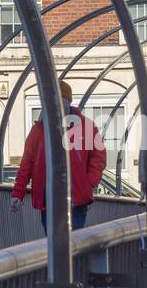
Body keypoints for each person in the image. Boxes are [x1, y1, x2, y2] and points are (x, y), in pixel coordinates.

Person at [11, 80, 106, 233]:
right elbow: (27, 164)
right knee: (54, 243)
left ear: (69, 102)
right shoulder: (38, 130)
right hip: (49, 200)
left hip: (77, 199)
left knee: (73, 242)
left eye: (62, 102)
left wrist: (88, 183)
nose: (58, 107)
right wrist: (18, 193)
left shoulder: (87, 127)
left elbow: (99, 157)